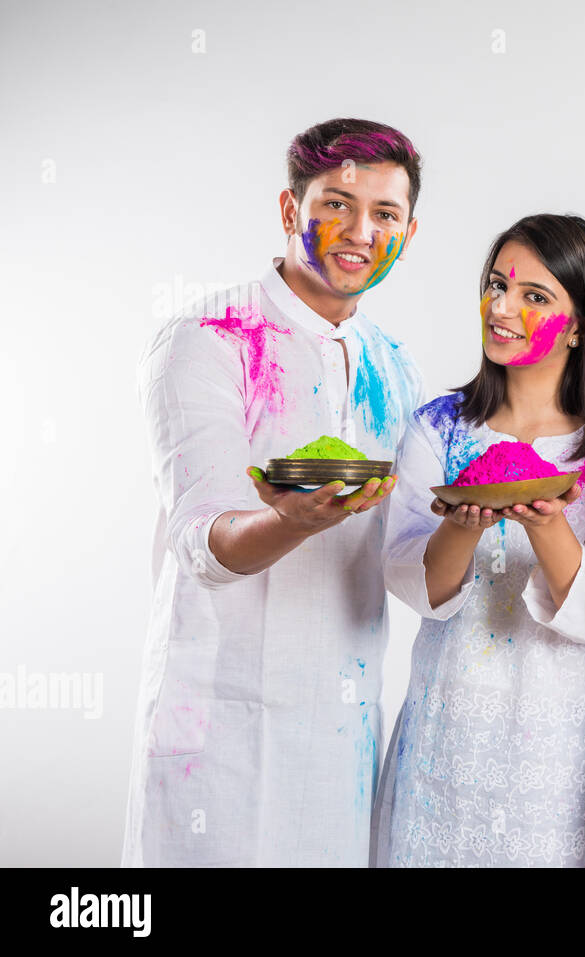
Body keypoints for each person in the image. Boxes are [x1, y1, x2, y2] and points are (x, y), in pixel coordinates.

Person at [123, 118, 425, 866]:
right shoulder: (208, 336)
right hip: (219, 727)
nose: (360, 231)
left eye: (385, 213)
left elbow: (403, 551)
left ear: (409, 233)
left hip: (340, 731)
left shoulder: (394, 366)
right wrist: (289, 522)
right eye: (336, 204)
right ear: (290, 211)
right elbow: (204, 541)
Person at [373, 214, 585, 867]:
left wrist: (547, 522)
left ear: (581, 324)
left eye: (534, 296)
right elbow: (410, 575)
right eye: (497, 285)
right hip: (446, 732)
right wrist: (458, 527)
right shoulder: (441, 426)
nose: (502, 307)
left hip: (557, 745)